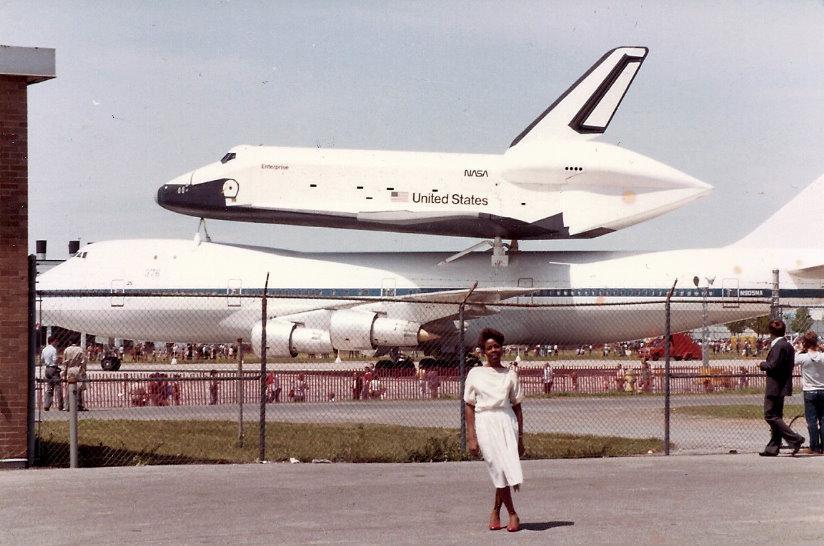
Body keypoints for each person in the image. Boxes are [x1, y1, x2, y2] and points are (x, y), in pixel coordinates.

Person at [464, 328, 524, 533]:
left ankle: (496, 511)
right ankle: (512, 513)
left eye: (497, 347)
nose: (493, 351)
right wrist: (471, 437)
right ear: (483, 351)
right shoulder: (475, 373)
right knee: (497, 467)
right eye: (489, 348)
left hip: (506, 421)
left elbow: (517, 407)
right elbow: (469, 406)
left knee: (505, 469)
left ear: (502, 349)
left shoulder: (510, 374)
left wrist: (521, 438)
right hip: (485, 422)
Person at [758, 320, 804, 456]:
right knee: (777, 416)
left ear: (771, 332)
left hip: (775, 385)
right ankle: (773, 447)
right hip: (782, 385)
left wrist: (761, 364)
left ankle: (795, 438)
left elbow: (773, 365)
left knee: (770, 415)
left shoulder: (779, 346)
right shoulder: (788, 345)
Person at [794, 331, 824, 454]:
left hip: (809, 390)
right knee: (823, 419)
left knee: (811, 420)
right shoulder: (822, 356)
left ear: (805, 343)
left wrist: (800, 350)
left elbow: (793, 361)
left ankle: (814, 446)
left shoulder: (803, 357)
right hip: (822, 389)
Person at [63, 344, 88, 411]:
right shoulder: (80, 350)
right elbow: (83, 361)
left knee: (69, 387)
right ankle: (79, 405)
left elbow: (65, 362)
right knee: (79, 387)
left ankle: (67, 406)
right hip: (78, 368)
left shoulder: (66, 349)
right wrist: (84, 370)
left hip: (70, 369)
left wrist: (65, 372)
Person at [42, 336, 63, 411]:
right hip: (53, 369)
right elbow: (55, 360)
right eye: (56, 341)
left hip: (47, 369)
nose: (57, 343)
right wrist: (60, 360)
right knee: (58, 387)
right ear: (52, 341)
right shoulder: (53, 349)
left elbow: (42, 359)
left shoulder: (44, 349)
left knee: (49, 387)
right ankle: (60, 405)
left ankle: (47, 405)